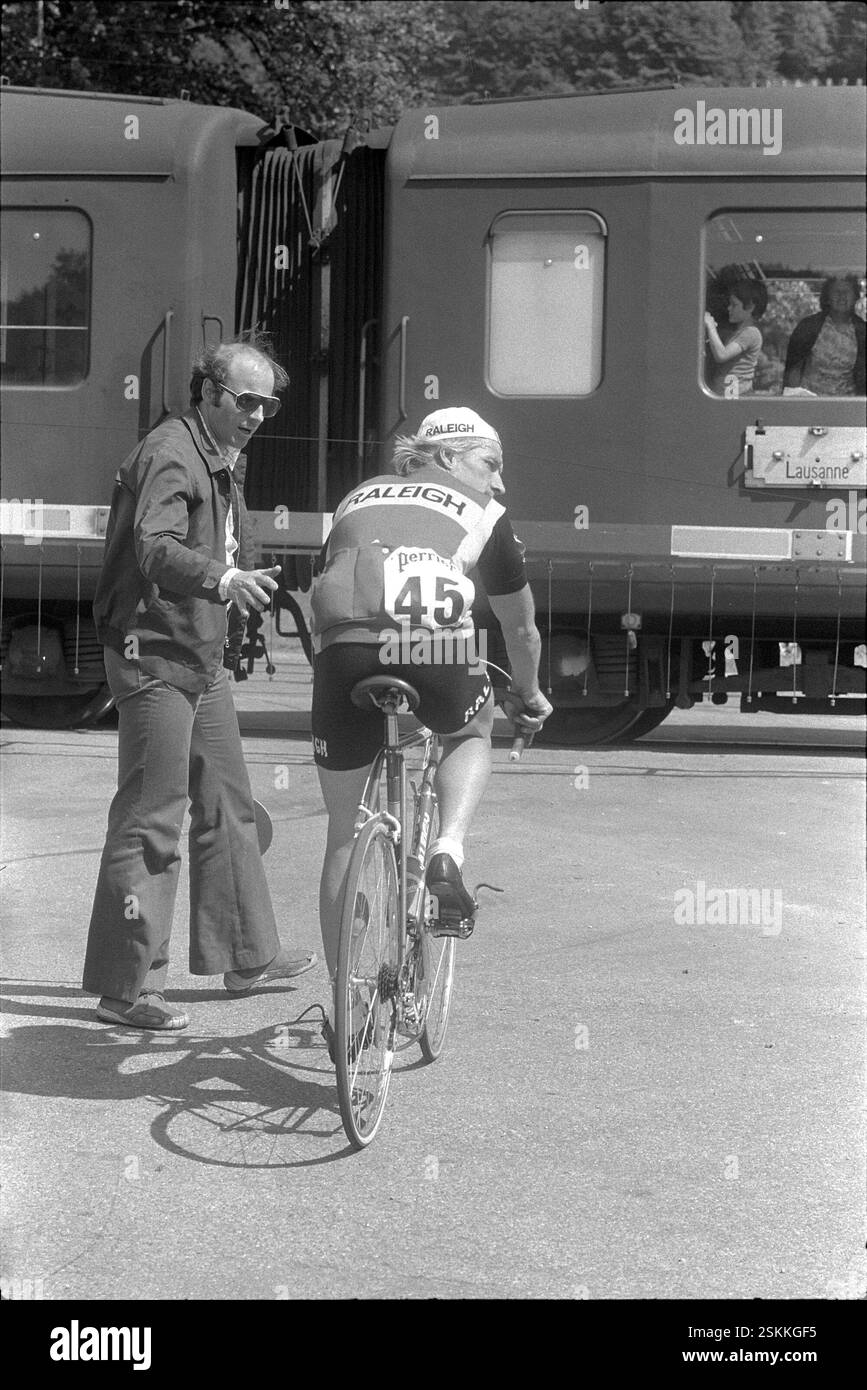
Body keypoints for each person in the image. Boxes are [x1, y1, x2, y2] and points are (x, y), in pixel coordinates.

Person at [83, 335, 317, 1030]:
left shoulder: (214, 455)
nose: (256, 414)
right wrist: (222, 578)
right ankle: (127, 990)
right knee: (152, 819)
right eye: (245, 400)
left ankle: (245, 953)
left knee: (226, 803)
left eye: (267, 404)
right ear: (208, 392)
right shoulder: (171, 452)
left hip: (197, 657)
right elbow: (153, 546)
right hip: (153, 655)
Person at [309, 407, 553, 1058]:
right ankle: (445, 850)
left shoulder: (352, 498)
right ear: (447, 457)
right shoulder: (483, 513)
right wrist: (525, 694)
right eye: (490, 464)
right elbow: (519, 630)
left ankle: (346, 1007)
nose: (497, 483)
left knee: (341, 836)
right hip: (434, 646)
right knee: (472, 728)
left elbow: (325, 583)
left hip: (344, 652)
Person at [783, 274, 866, 396]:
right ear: (827, 297)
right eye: (836, 291)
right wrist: (793, 402)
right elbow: (794, 368)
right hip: (810, 404)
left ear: (855, 297)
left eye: (847, 291)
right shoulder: (808, 326)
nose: (841, 295)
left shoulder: (862, 331)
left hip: (847, 407)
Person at [704, 279, 766, 396]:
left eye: (734, 304)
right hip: (728, 395)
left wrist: (710, 326)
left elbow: (722, 355)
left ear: (750, 306)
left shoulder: (751, 333)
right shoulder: (739, 332)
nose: (729, 308)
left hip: (734, 396)